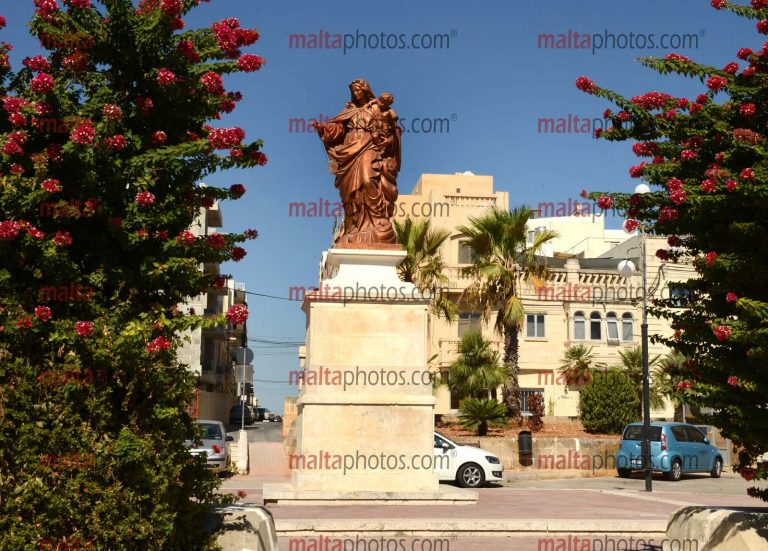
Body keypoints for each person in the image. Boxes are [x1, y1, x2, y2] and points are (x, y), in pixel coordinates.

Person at [312, 79, 402, 245]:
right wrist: (323, 129)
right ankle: (355, 227)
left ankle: (377, 220)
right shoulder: (350, 110)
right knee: (351, 192)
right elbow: (338, 128)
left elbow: (391, 128)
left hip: (368, 144)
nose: (355, 94)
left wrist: (388, 139)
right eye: (353, 91)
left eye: (358, 90)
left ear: (366, 90)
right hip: (350, 147)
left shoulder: (375, 107)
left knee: (368, 181)